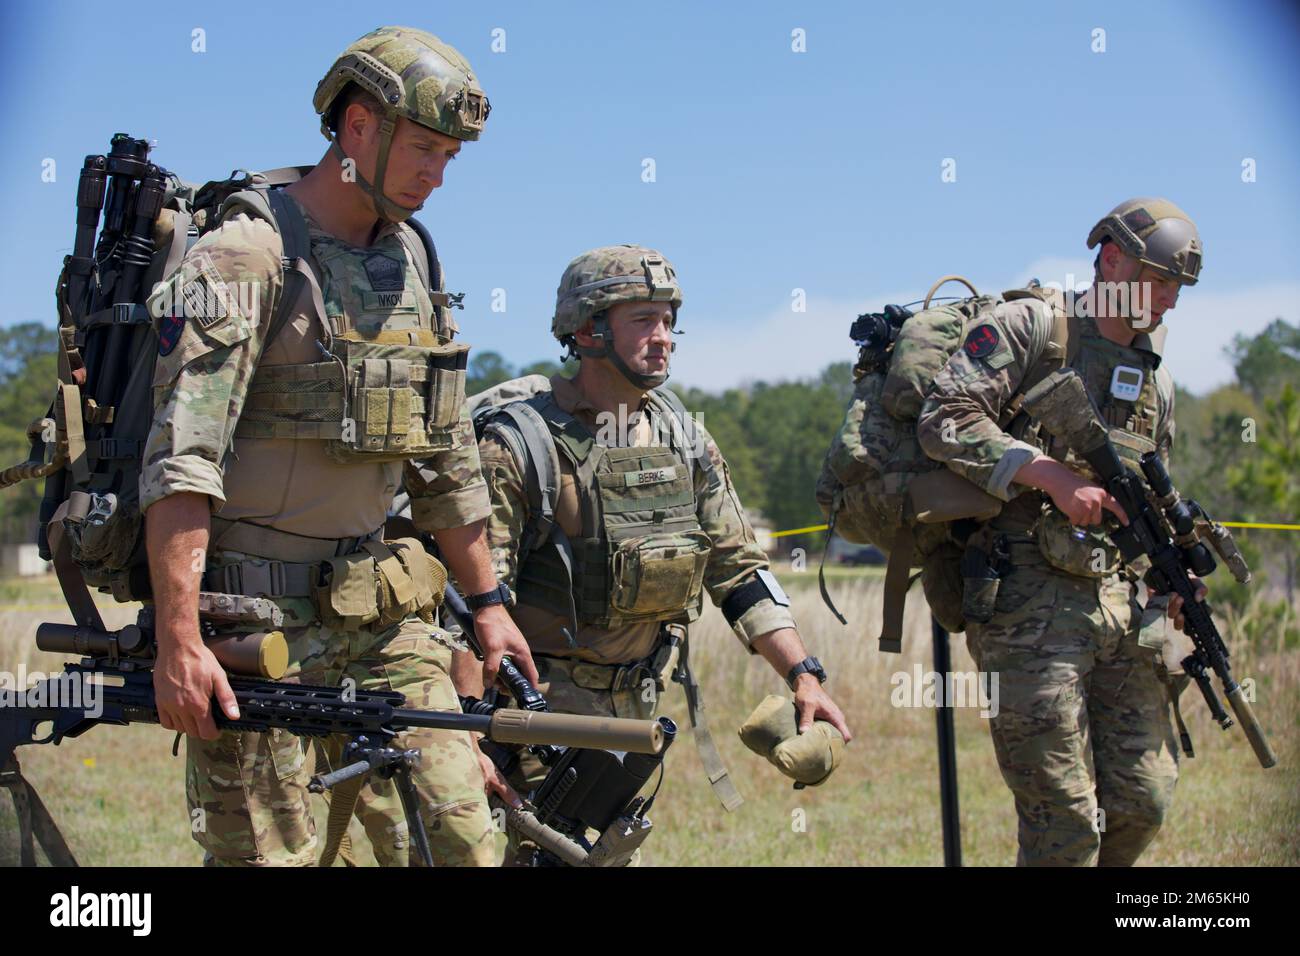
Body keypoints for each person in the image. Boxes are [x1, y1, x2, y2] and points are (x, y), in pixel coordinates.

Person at [140, 25, 537, 867]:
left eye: (450, 158)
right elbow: (182, 461)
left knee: (464, 845)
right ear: (359, 128)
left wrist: (491, 606)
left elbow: (448, 461)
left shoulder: (414, 263)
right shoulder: (245, 257)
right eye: (425, 148)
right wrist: (180, 639)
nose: (436, 173)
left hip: (386, 619)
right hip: (255, 627)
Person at [467, 244, 852, 861]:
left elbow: (739, 570)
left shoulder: (683, 436)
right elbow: (472, 608)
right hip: (538, 718)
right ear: (588, 329)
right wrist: (467, 738)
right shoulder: (521, 446)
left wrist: (803, 674)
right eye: (643, 319)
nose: (664, 337)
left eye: (670, 320)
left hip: (640, 712)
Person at [916, 198, 1206, 866]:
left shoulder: (1153, 377)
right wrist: (1048, 475)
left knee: (1142, 800)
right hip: (1025, 601)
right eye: (1157, 279)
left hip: (1117, 603)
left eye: (1177, 288)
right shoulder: (1033, 328)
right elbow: (945, 419)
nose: (1167, 300)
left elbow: (1153, 491)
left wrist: (1174, 576)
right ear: (1109, 258)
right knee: (1064, 823)